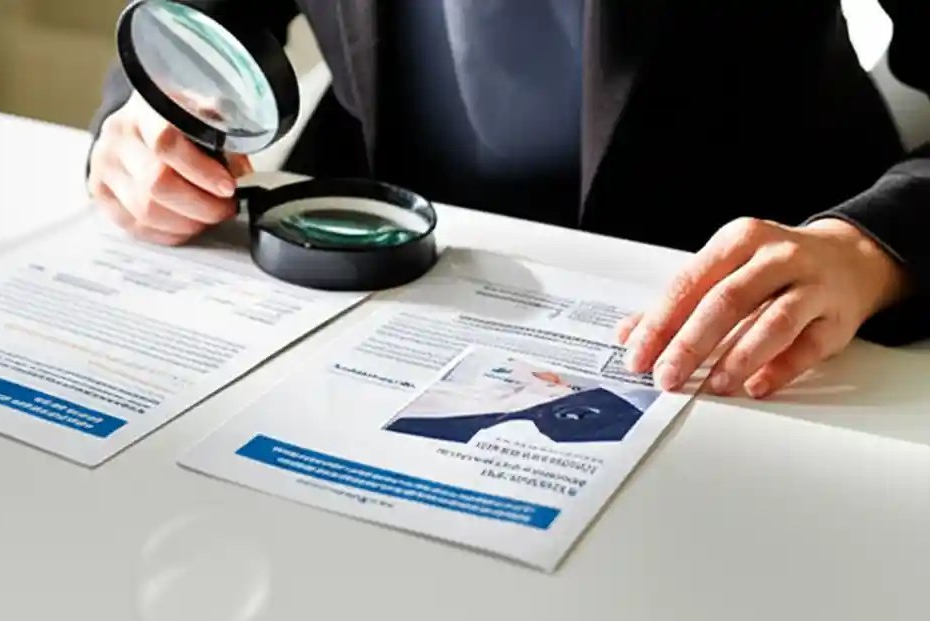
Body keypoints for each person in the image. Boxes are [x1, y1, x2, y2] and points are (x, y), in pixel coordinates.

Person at [87, 1, 930, 399]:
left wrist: (874, 249)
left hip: (753, 323)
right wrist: (140, 119)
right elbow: (201, 13)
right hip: (379, 293)